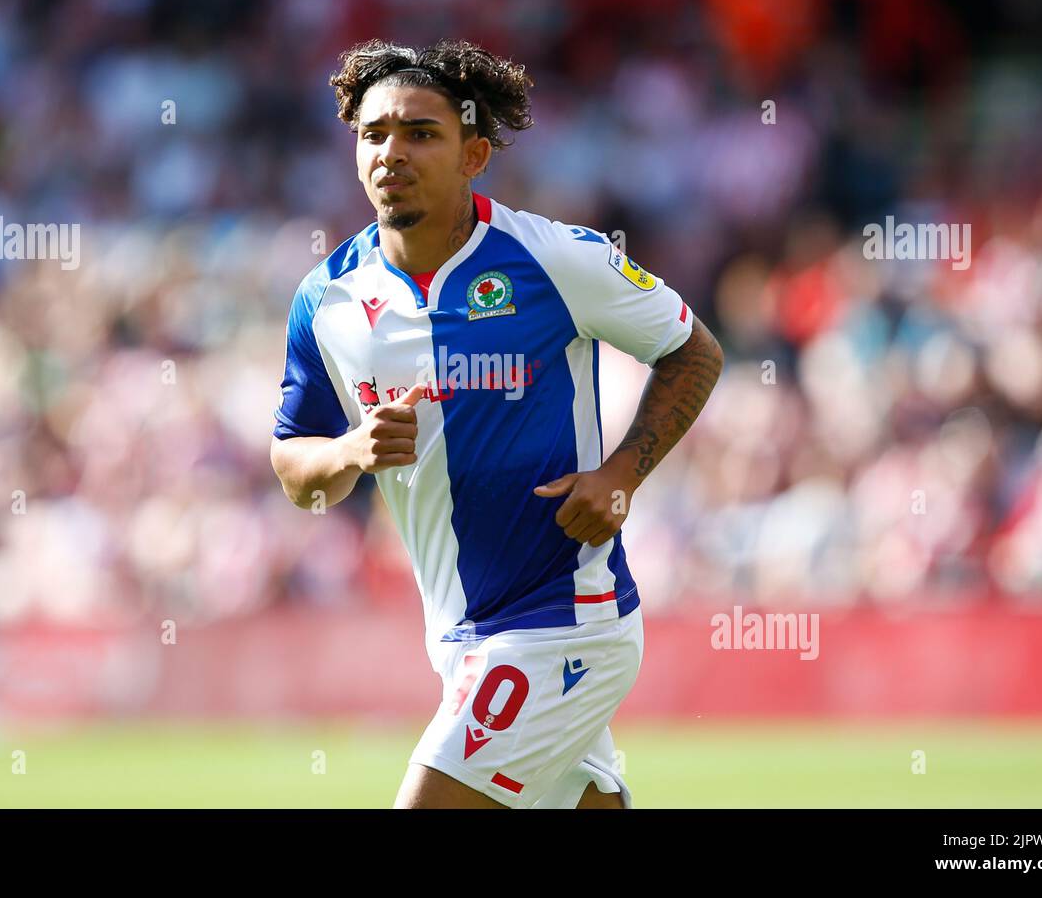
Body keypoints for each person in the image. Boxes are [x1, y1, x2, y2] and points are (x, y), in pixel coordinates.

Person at [270, 39, 724, 808]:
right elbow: (293, 469)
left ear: (473, 152)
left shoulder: (554, 259)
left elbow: (693, 351)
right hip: (458, 638)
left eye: (421, 133)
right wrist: (348, 451)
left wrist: (622, 475)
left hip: (566, 618)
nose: (392, 152)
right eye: (373, 134)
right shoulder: (327, 299)